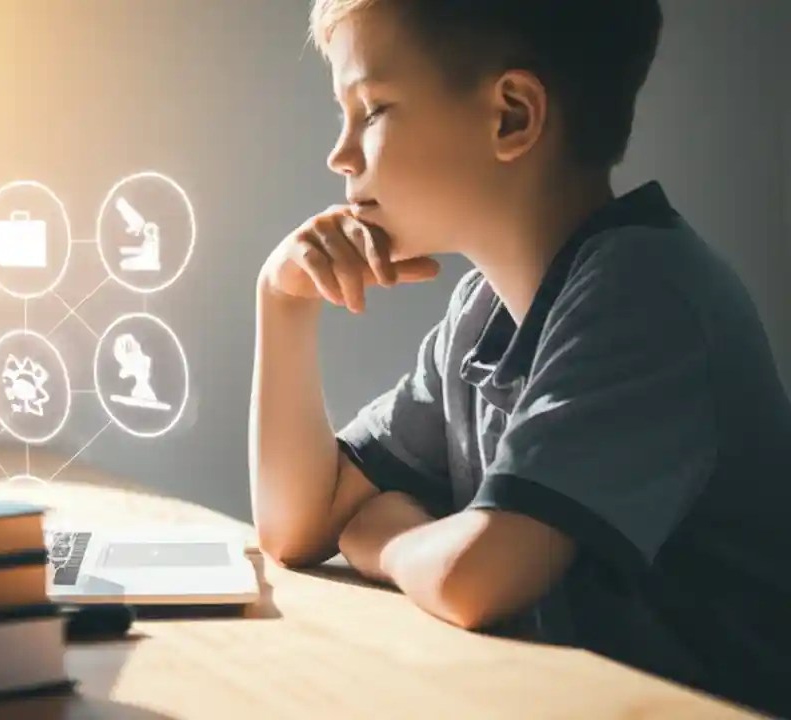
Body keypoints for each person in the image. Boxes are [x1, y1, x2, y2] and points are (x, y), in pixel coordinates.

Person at [247, 0, 791, 714]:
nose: (340, 155)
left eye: (371, 109)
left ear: (511, 117)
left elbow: (479, 577)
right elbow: (299, 524)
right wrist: (281, 301)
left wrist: (387, 539)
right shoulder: (481, 316)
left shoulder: (648, 291)